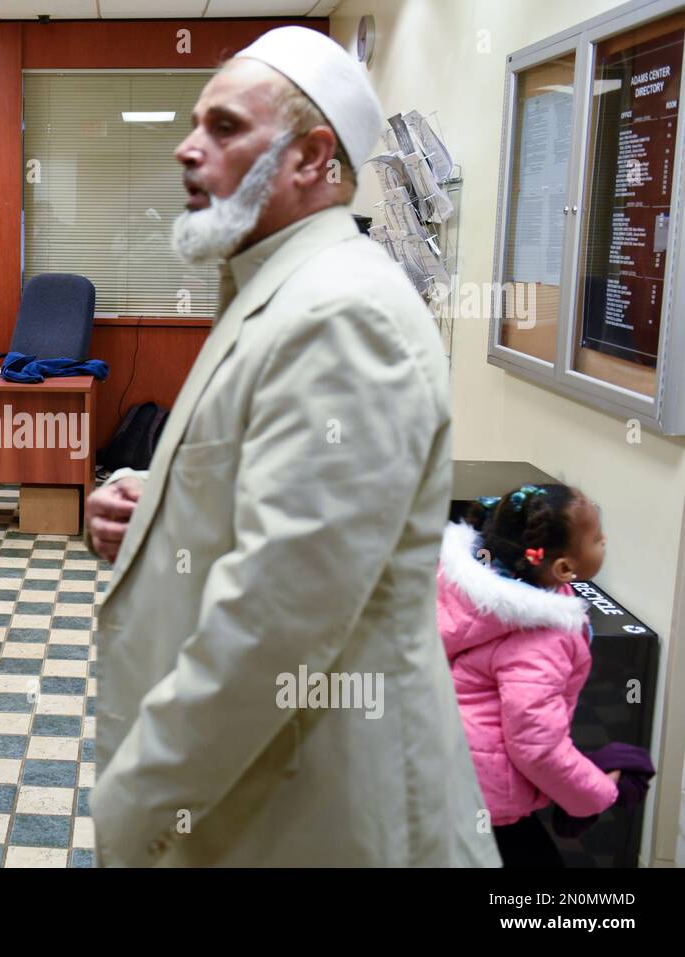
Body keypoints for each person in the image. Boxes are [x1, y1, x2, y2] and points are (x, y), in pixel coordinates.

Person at [83, 26, 500, 866]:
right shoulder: (279, 287)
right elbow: (267, 490)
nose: (186, 148)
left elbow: (278, 618)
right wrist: (156, 499)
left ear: (312, 158)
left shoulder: (343, 313)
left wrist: (137, 803)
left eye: (225, 128)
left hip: (316, 811)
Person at [438, 484, 652, 867]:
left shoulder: (474, 593)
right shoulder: (539, 638)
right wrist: (598, 792)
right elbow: (536, 746)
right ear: (564, 567)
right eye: (597, 538)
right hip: (482, 794)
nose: (605, 541)